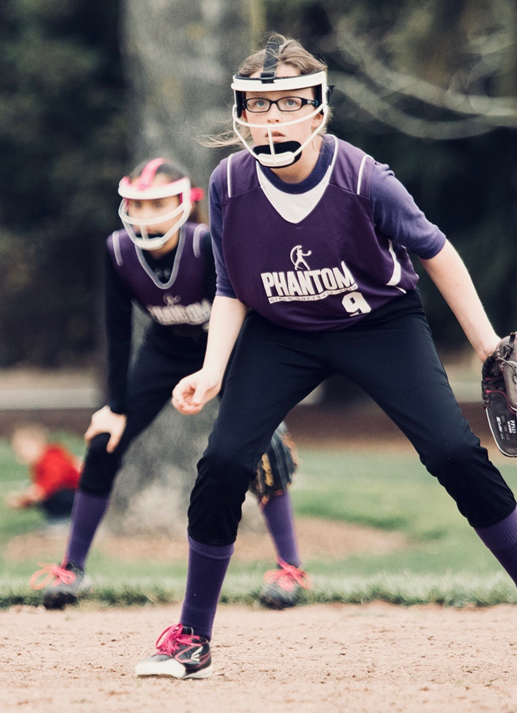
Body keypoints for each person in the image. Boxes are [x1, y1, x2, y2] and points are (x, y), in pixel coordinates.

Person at [133, 36, 517, 680]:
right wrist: (212, 370)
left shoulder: (362, 177)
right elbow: (231, 284)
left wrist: (488, 344)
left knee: (454, 454)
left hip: (377, 323)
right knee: (222, 462)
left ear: (319, 111)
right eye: (259, 105)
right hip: (281, 333)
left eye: (289, 103)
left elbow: (437, 253)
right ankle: (191, 635)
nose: (273, 119)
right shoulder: (229, 183)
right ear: (240, 113)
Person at [28, 157, 311, 612]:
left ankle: (290, 568)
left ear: (185, 202)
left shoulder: (206, 244)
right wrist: (115, 405)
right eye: (137, 205)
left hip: (231, 347)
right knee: (104, 439)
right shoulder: (118, 250)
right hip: (167, 348)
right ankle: (71, 569)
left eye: (157, 203)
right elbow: (117, 331)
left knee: (263, 448)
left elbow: (244, 309)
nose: (145, 215)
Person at [7, 424, 82, 528]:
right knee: (35, 487)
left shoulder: (51, 457)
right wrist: (24, 501)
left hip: (79, 495)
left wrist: (36, 491)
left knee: (49, 491)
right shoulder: (39, 464)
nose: (21, 453)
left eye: (23, 448)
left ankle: (61, 520)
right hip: (73, 494)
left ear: (37, 443)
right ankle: (58, 518)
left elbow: (53, 479)